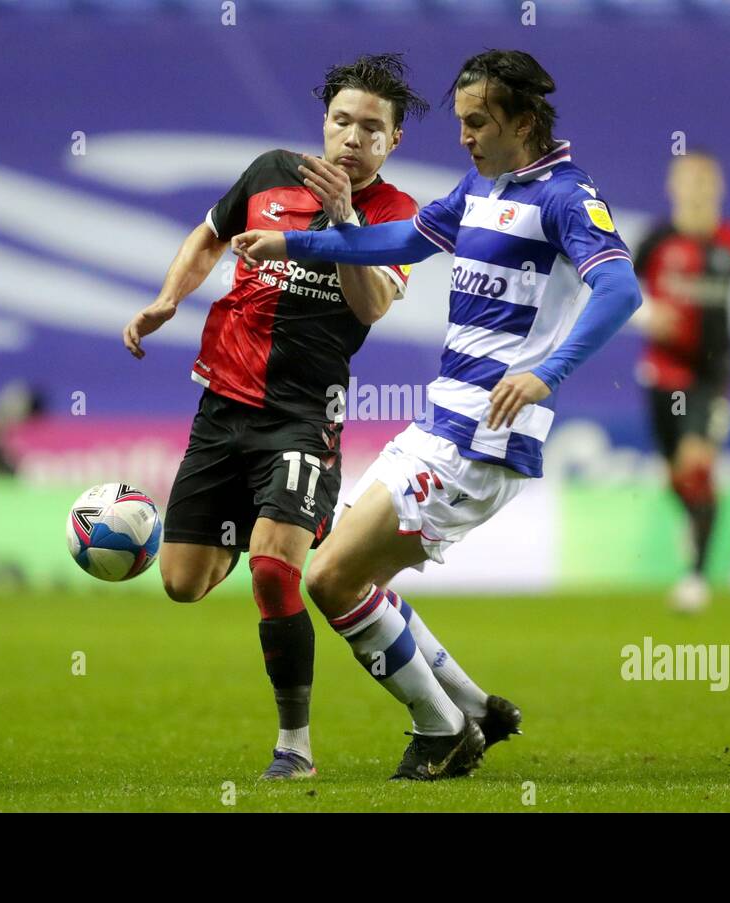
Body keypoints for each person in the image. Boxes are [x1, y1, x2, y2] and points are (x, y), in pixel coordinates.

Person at [232, 49, 642, 780]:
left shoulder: (566, 198)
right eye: (460, 121)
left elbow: (618, 289)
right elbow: (401, 238)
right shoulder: (483, 188)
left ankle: (442, 726)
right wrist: (293, 240)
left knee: (327, 577)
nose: (464, 136)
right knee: (349, 577)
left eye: (478, 121)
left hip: (481, 439)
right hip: (436, 425)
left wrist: (547, 372)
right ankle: (475, 708)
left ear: (523, 121)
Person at [121, 54, 427, 780]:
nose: (352, 138)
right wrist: (169, 296)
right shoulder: (267, 174)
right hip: (221, 405)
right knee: (183, 581)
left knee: (270, 571)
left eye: (371, 129)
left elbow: (372, 305)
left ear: (393, 142)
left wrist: (348, 222)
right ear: (324, 123)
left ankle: (295, 746)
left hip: (301, 416)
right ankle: (277, 530)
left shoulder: (397, 215)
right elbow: (208, 235)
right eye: (342, 121)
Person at [631, 151, 730, 613]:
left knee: (697, 465)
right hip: (660, 375)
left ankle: (696, 577)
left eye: (703, 181)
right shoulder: (655, 241)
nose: (695, 189)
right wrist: (650, 316)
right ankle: (696, 520)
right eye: (687, 180)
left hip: (712, 376)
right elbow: (617, 291)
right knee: (676, 476)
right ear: (673, 186)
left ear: (717, 188)